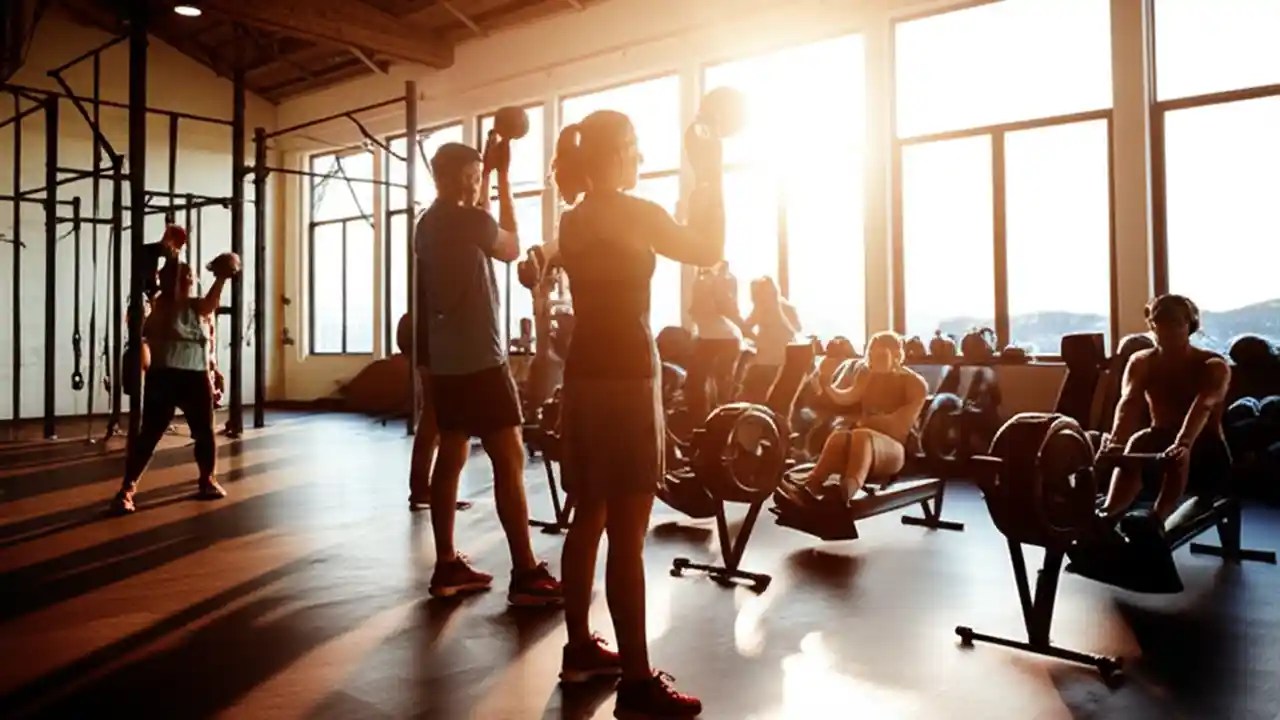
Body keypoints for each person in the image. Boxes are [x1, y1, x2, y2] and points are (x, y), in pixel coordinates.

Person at [548, 109, 723, 718]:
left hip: (583, 376)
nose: (640, 155)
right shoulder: (634, 212)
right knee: (626, 533)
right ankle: (638, 685)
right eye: (634, 145)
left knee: (587, 518)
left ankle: (578, 650)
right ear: (614, 153)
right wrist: (713, 174)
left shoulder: (572, 219)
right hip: (625, 379)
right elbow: (709, 248)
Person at [416, 139, 561, 606]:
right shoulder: (471, 219)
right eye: (475, 176)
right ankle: (525, 571)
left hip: (446, 361)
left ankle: (446, 565)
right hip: (481, 359)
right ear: (464, 177)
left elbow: (470, 230)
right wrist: (501, 180)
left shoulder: (428, 224)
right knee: (509, 457)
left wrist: (487, 172)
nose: (479, 183)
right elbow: (513, 247)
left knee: (452, 453)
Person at [110, 256, 236, 514]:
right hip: (164, 375)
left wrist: (213, 370)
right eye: (182, 275)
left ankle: (207, 480)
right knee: (149, 436)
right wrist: (172, 255)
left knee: (205, 433)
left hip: (195, 375)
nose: (189, 279)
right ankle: (127, 489)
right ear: (167, 280)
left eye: (190, 275)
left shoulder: (195, 306)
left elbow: (208, 319)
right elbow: (198, 301)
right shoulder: (161, 303)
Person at [1097, 294, 1232, 523]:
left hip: (1205, 449)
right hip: (1159, 440)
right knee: (1136, 443)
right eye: (1161, 324)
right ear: (1152, 325)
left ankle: (1157, 519)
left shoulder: (1213, 365)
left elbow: (1203, 405)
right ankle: (1108, 513)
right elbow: (1129, 402)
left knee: (1177, 455)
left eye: (1176, 324)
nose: (1168, 331)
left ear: (1189, 326)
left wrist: (1183, 443)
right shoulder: (1142, 362)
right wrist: (1116, 443)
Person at [780, 331, 927, 507]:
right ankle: (811, 486)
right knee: (839, 436)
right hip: (865, 439)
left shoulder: (914, 383)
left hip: (894, 450)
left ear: (896, 355)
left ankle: (844, 493)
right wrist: (826, 384)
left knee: (861, 436)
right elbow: (847, 396)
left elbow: (899, 426)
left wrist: (866, 423)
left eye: (880, 354)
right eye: (872, 353)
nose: (874, 359)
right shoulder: (867, 375)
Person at [738, 276, 801, 403]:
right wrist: (757, 340)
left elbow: (796, 329)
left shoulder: (787, 308)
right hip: (763, 359)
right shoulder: (760, 309)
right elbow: (745, 328)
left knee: (773, 397)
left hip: (781, 360)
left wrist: (779, 314)